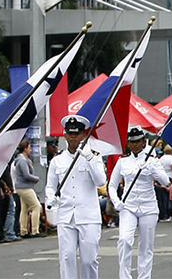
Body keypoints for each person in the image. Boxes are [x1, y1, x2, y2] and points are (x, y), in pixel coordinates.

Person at [45, 114, 107, 278]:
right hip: (66, 216)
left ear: (83, 135)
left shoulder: (93, 156)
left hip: (88, 216)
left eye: (77, 134)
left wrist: (90, 159)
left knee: (89, 260)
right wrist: (50, 197)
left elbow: (101, 181)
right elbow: (50, 186)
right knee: (67, 258)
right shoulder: (57, 161)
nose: (73, 137)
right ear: (64, 135)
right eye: (70, 133)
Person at [108, 127, 170, 279]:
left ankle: (144, 277)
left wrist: (153, 168)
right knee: (124, 240)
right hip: (128, 206)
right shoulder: (123, 162)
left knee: (146, 246)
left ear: (143, 142)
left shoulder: (152, 160)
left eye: (137, 141)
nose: (135, 145)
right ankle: (125, 277)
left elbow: (166, 181)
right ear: (128, 143)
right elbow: (112, 185)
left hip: (148, 207)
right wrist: (116, 201)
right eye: (131, 142)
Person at [12, 140, 42, 238]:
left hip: (21, 187)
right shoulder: (22, 161)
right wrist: (36, 178)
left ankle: (23, 230)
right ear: (25, 149)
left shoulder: (21, 160)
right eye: (29, 148)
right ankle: (34, 230)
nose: (30, 150)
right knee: (36, 206)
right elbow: (26, 175)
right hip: (25, 187)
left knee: (24, 209)